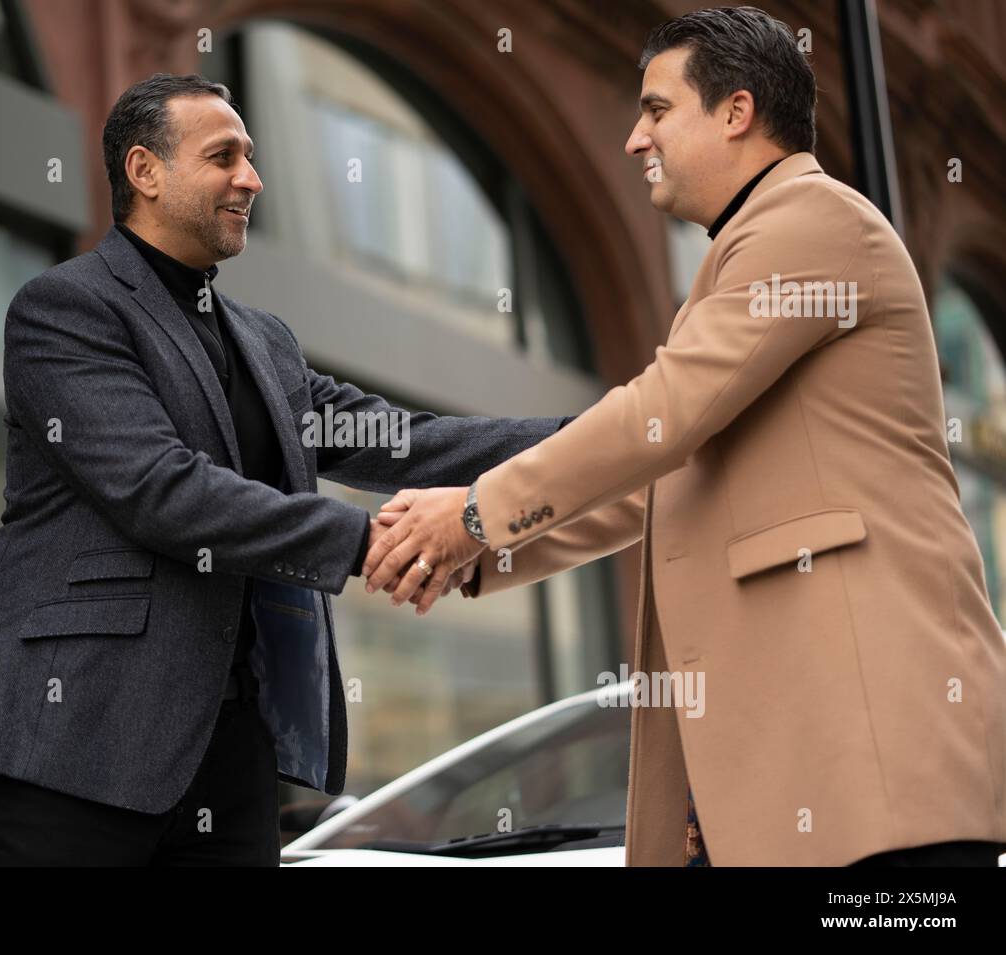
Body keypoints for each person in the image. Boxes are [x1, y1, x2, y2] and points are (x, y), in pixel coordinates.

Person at [364, 6, 1006, 867]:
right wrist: (476, 555)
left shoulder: (812, 220)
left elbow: (657, 416)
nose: (636, 139)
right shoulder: (746, 251)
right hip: (796, 784)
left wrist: (475, 514)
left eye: (658, 109)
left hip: (874, 777)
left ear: (736, 112)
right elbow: (663, 479)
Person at [0, 73, 570, 866]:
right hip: (78, 735)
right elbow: (161, 492)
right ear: (145, 172)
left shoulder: (262, 338)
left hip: (232, 745)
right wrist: (375, 541)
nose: (252, 178)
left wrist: (597, 438)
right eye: (224, 157)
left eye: (250, 156)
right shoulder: (65, 309)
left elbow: (392, 438)